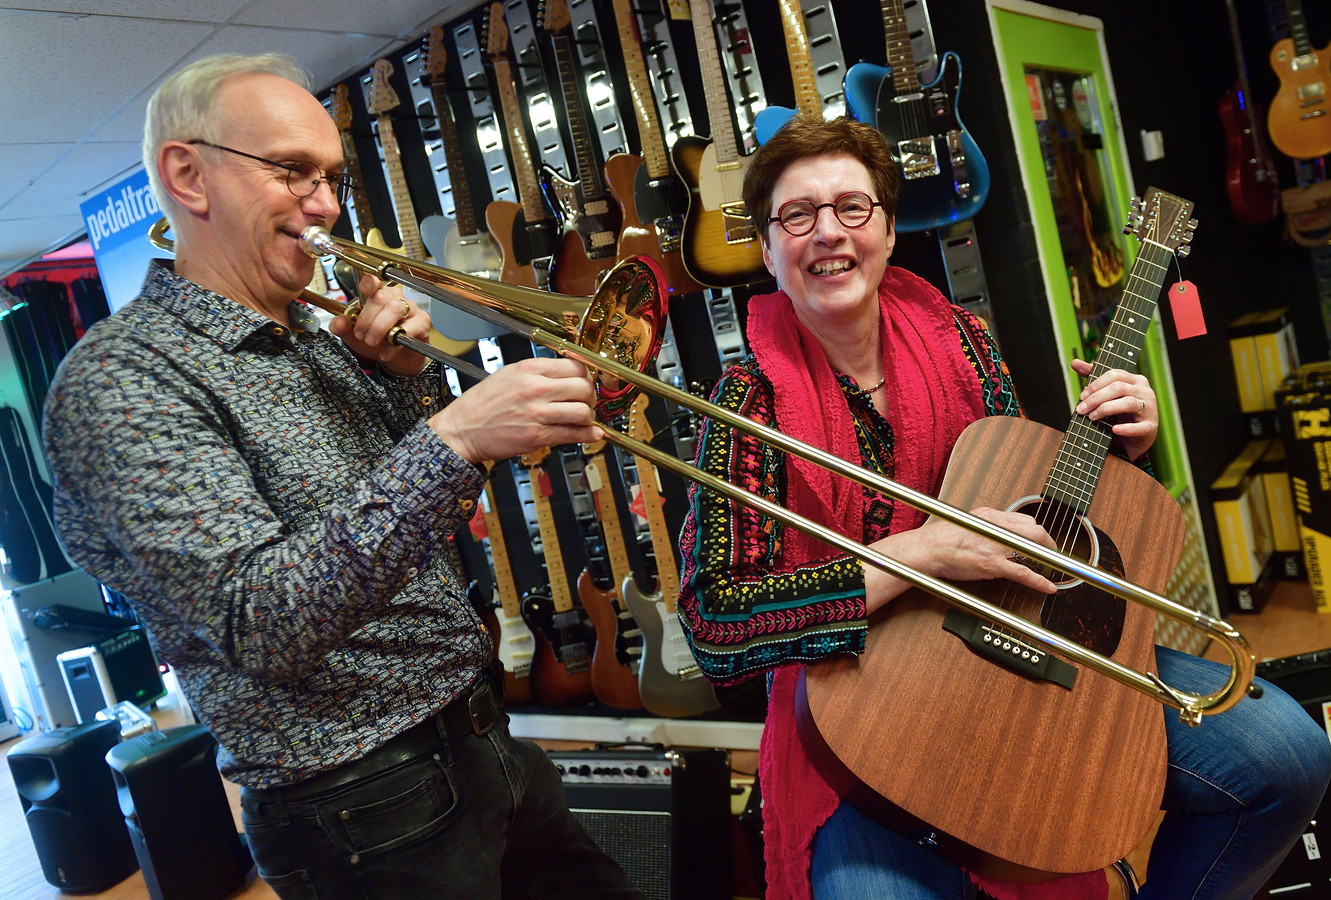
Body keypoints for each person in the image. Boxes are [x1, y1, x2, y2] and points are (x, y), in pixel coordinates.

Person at [676, 114, 1331, 900]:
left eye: (851, 207)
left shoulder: (962, 340)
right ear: (766, 244)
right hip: (859, 715)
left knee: (1287, 758)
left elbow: (1026, 504)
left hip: (1011, 644)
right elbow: (716, 626)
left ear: (886, 227)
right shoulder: (742, 404)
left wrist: (1122, 446)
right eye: (796, 214)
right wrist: (917, 555)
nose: (827, 232)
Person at [42, 53, 645, 900]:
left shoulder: (314, 341)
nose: (325, 204)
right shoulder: (122, 380)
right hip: (359, 807)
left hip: (481, 740)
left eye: (328, 177)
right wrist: (454, 435)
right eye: (292, 171)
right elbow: (262, 622)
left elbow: (421, 533)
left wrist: (406, 386)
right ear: (189, 174)